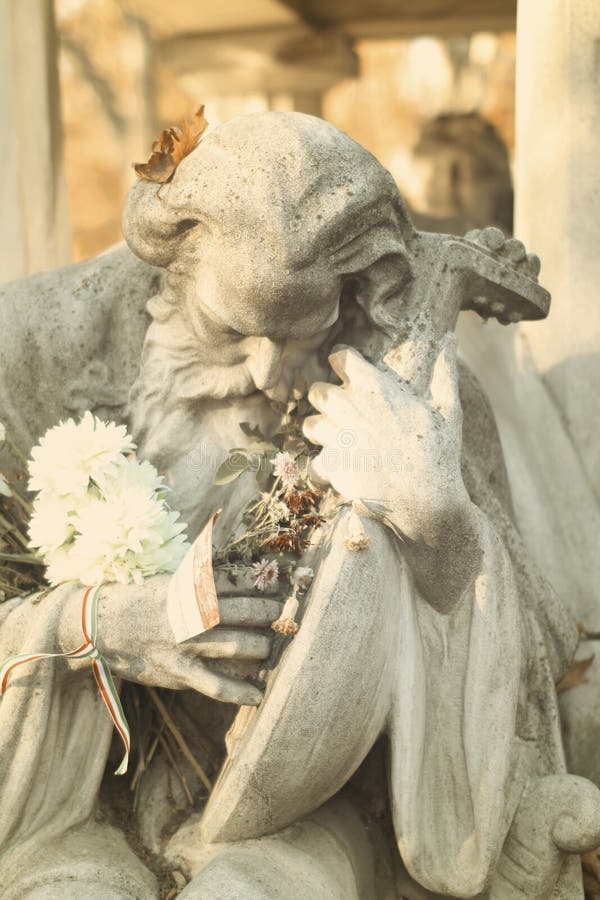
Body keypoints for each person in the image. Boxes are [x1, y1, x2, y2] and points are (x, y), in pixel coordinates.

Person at [0, 112, 598, 899]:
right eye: (230, 330)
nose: (268, 371)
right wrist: (97, 624)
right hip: (76, 800)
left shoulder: (408, 394)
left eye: (303, 329)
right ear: (172, 269)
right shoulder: (32, 354)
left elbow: (541, 670)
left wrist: (439, 524)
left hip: (307, 812)